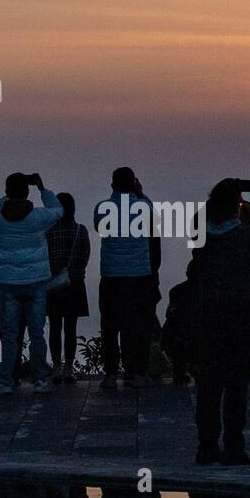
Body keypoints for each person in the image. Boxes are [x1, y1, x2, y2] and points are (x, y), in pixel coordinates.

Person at [187, 179, 250, 465]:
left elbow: (198, 220)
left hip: (210, 313)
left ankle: (207, 446)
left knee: (209, 384)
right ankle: (234, 447)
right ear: (236, 206)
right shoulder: (246, 236)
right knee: (237, 383)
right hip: (242, 313)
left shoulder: (202, 235)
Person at [0, 172, 62, 395]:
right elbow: (58, 210)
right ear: (27, 191)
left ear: (7, 191)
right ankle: (40, 378)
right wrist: (42, 188)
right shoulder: (38, 217)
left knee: (9, 334)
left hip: (8, 282)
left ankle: (5, 379)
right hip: (36, 280)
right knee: (37, 332)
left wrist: (5, 198)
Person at [95, 167, 160, 389]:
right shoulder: (144, 206)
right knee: (138, 326)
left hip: (111, 276)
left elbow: (99, 227)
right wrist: (140, 193)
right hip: (139, 276)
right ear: (134, 184)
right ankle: (137, 372)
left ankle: (111, 373)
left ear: (112, 185)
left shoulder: (102, 209)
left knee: (111, 326)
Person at [43, 193, 91, 383]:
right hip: (74, 283)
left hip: (53, 283)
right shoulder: (80, 230)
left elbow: (45, 256)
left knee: (55, 327)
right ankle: (69, 367)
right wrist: (73, 272)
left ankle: (56, 366)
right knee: (71, 327)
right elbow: (84, 257)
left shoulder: (48, 231)